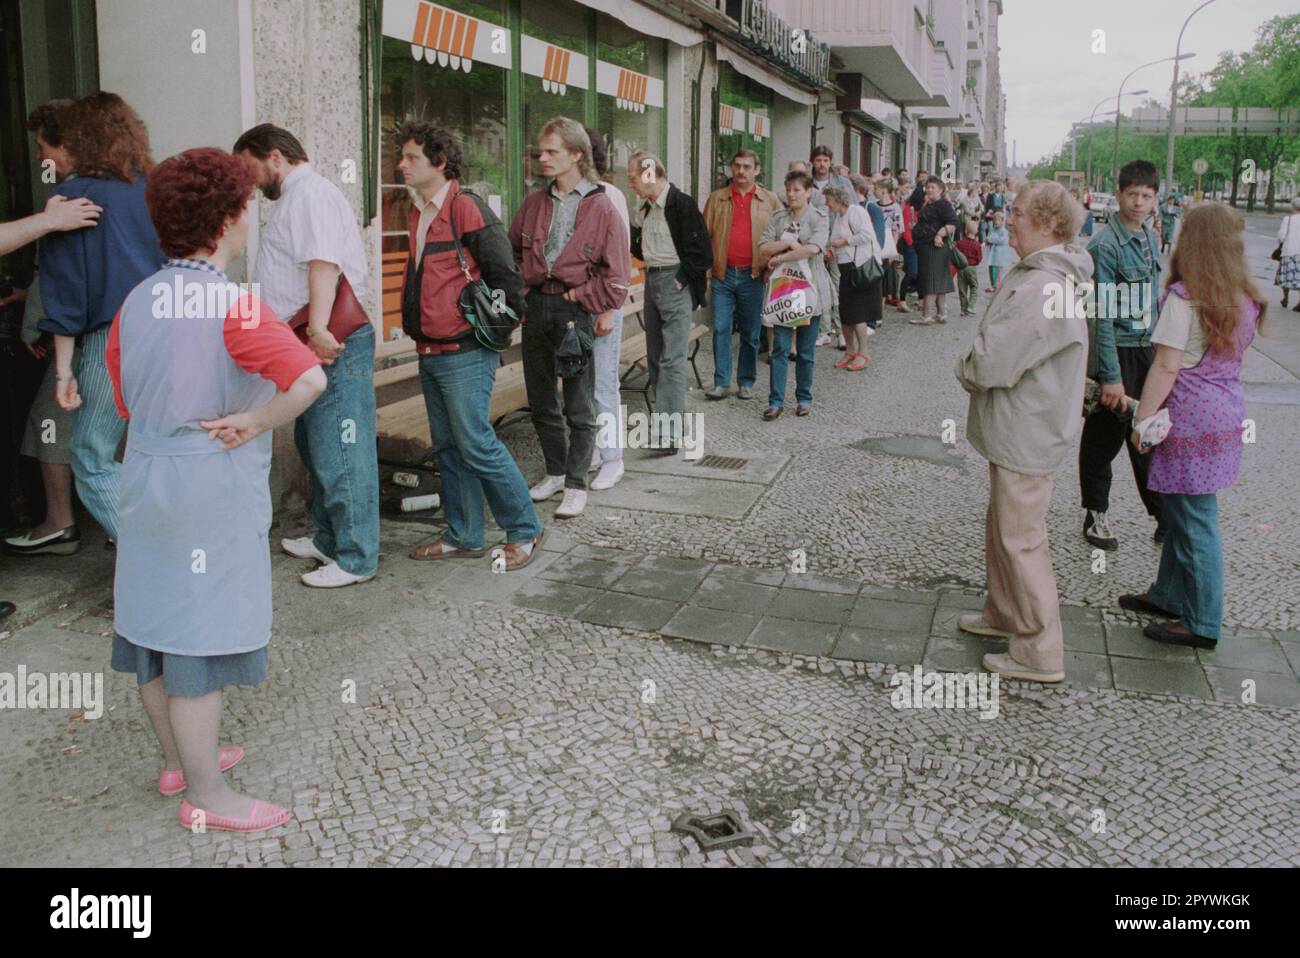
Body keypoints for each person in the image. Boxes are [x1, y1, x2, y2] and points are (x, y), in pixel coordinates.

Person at [108, 147, 326, 832]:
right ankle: (207, 793)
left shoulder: (136, 301)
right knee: (198, 640)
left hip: (145, 480)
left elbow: (123, 399)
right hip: (207, 486)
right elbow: (309, 379)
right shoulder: (235, 306)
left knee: (151, 629)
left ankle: (180, 761)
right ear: (230, 216)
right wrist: (255, 419)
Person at [955, 181, 1091, 684]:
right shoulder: (1046, 274)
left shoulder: (1043, 285)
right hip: (1023, 424)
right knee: (1005, 527)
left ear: (1047, 223)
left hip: (1028, 427)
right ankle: (1004, 613)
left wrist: (964, 368)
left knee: (1021, 537)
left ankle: (1038, 650)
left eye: (1016, 213)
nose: (1007, 219)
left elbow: (994, 361)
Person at [393, 122, 544, 569]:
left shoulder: (465, 207)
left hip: (464, 351)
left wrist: (492, 330)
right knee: (449, 446)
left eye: (412, 158)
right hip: (430, 351)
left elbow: (507, 277)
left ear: (439, 163)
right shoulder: (418, 210)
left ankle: (526, 529)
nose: (401, 164)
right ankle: (464, 533)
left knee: (476, 442)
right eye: (401, 157)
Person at [234, 123, 378, 588]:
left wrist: (317, 328)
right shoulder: (300, 197)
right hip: (309, 338)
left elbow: (324, 264)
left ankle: (356, 557)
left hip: (328, 338)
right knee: (316, 442)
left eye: (249, 167)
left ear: (274, 156)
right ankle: (330, 539)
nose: (249, 181)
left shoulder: (309, 194)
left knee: (339, 446)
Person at [1119, 203, 1266, 650]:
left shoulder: (1184, 298)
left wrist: (1141, 419)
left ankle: (1203, 621)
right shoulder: (1245, 299)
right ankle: (1167, 594)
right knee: (1183, 510)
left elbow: (1165, 367)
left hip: (1187, 414)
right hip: (1223, 412)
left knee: (1194, 519)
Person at [40, 92, 163, 547]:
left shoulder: (73, 198)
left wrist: (64, 371)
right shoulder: (153, 188)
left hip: (114, 338)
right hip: (166, 329)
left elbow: (67, 293)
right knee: (152, 450)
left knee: (91, 453)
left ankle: (155, 564)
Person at [509, 117, 629, 519]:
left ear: (577, 154)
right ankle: (556, 471)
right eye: (540, 152)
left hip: (574, 312)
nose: (541, 159)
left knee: (579, 403)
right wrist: (521, 288)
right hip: (537, 309)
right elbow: (512, 251)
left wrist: (580, 294)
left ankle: (577, 484)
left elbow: (617, 277)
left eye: (551, 152)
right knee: (541, 399)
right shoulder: (534, 203)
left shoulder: (602, 206)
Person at [5, 100, 93, 557]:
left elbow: (61, 279)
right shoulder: (117, 188)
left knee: (49, 424)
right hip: (97, 334)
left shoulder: (70, 199)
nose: (40, 157)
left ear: (69, 145)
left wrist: (31, 327)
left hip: (74, 340)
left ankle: (60, 524)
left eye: (44, 146)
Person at [1080, 159, 1164, 551]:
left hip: (1146, 349)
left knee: (1149, 436)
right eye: (1132, 194)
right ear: (1118, 195)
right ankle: (1096, 514)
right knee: (1103, 438)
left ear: (1155, 199)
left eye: (1146, 196)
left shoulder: (1150, 237)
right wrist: (1110, 376)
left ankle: (1164, 516)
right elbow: (1104, 318)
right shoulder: (1105, 245)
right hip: (1117, 353)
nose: (1138, 202)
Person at [627, 150, 712, 455]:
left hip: (674, 280)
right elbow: (638, 250)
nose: (631, 183)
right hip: (652, 279)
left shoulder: (681, 204)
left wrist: (681, 280)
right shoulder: (647, 209)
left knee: (672, 360)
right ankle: (669, 426)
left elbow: (704, 253)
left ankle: (668, 434)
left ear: (650, 174)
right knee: (655, 357)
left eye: (634, 177)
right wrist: (636, 221)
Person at [702, 148, 782, 401]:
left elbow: (783, 237)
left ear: (757, 170)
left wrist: (773, 267)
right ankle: (722, 382)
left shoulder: (770, 200)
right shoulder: (717, 199)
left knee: (750, 332)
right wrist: (706, 272)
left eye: (747, 167)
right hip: (722, 275)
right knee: (721, 329)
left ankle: (746, 381)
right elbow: (705, 238)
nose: (741, 171)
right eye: (737, 166)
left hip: (754, 275)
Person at [757, 170, 832, 420]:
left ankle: (803, 398)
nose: (791, 194)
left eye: (797, 190)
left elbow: (812, 248)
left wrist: (780, 257)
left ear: (809, 192)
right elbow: (763, 246)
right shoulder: (779, 218)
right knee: (779, 347)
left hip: (811, 292)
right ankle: (775, 401)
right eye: (788, 189)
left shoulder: (819, 218)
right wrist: (787, 244)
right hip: (784, 291)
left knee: (805, 350)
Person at [580, 126, 630, 491]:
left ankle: (613, 458)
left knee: (604, 385)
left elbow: (619, 259)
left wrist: (609, 308)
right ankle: (596, 449)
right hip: (577, 305)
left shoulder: (609, 194)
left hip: (603, 305)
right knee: (583, 385)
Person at [824, 185, 881, 370]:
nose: (827, 204)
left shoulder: (856, 212)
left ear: (838, 198)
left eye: (828, 200)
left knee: (859, 314)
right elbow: (834, 240)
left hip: (860, 269)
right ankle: (850, 352)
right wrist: (832, 250)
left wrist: (844, 242)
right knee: (846, 314)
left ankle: (863, 353)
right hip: (846, 270)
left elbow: (867, 235)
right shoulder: (839, 218)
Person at [808, 146, 854, 349]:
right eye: (818, 160)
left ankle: (841, 331)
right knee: (817, 286)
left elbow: (851, 211)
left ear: (830, 162)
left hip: (837, 243)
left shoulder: (842, 183)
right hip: (814, 242)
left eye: (825, 160)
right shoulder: (806, 183)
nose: (822, 164)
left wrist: (840, 241)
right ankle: (823, 330)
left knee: (837, 287)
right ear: (812, 162)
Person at [909, 177, 959, 325]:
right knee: (938, 281)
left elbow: (953, 222)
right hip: (927, 247)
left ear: (941, 190)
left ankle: (927, 316)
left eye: (933, 187)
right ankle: (941, 314)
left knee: (931, 281)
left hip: (934, 248)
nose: (929, 189)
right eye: (928, 187)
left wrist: (939, 234)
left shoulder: (943, 204)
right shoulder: (930, 204)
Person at [874, 176, 904, 309]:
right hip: (873, 244)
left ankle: (880, 309)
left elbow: (896, 229)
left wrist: (894, 249)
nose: (874, 191)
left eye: (876, 188)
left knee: (885, 277)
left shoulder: (895, 207)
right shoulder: (873, 205)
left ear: (883, 190)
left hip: (887, 245)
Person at [1274, 197, 1300, 311]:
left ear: (1293, 207)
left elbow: (1282, 236)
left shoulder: (1288, 219)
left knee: (1285, 276)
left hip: (1289, 251)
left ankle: (1285, 298)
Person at [955, 217, 983, 317]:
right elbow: (979, 258)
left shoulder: (959, 243)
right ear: (976, 232)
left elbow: (955, 254)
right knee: (974, 287)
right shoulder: (977, 245)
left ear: (965, 230)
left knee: (962, 289)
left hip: (961, 268)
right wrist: (975, 262)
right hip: (972, 268)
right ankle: (970, 306)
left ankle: (963, 309)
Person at [983, 210, 1010, 291]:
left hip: (998, 255)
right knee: (991, 270)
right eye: (995, 220)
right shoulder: (993, 229)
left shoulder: (1003, 231)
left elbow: (1002, 240)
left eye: (998, 220)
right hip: (992, 254)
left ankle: (996, 286)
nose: (996, 222)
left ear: (1002, 221)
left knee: (996, 271)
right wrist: (987, 241)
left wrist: (990, 239)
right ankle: (992, 285)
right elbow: (988, 237)